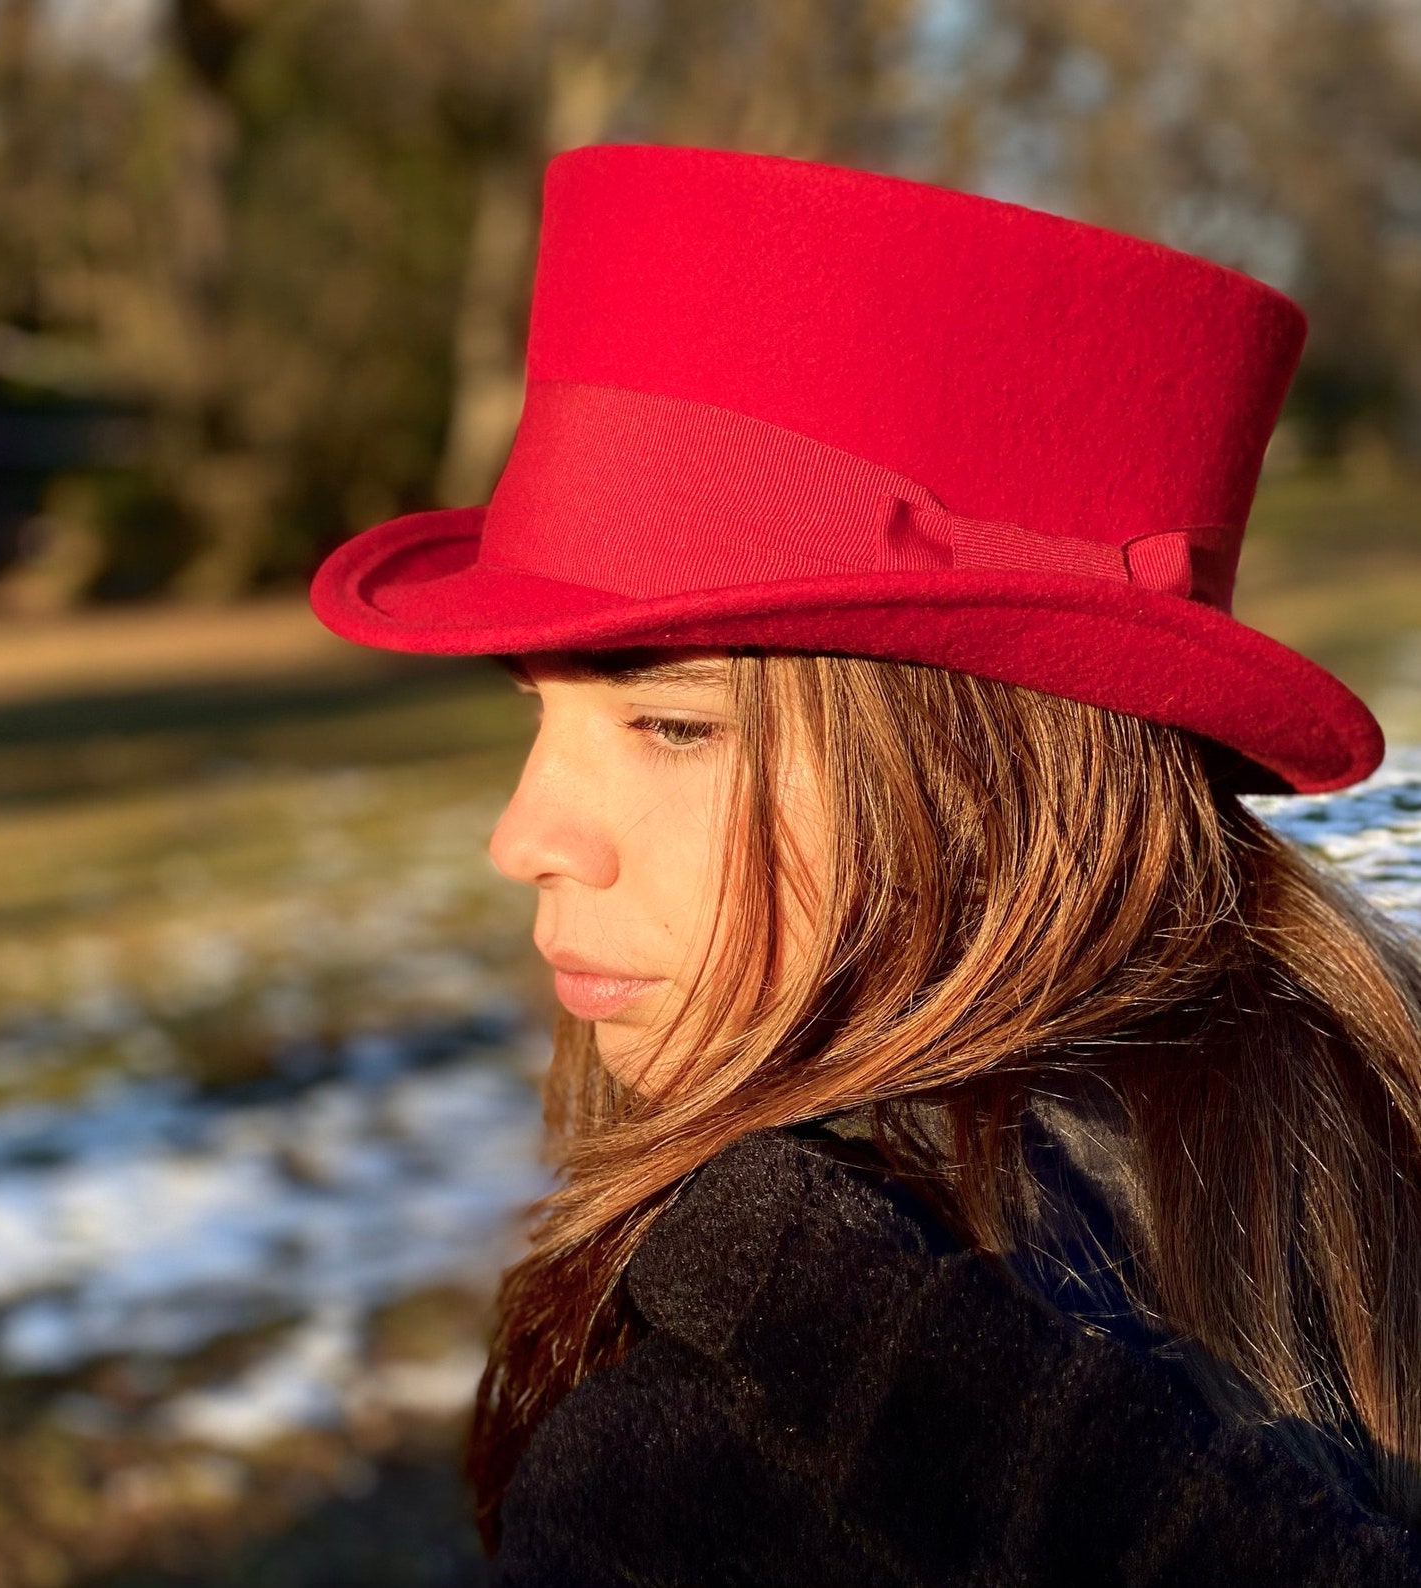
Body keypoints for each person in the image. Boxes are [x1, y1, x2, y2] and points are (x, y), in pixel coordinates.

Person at [311, 144, 1421, 1584]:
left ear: (979, 781)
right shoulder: (1338, 1098)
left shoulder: (724, 1474)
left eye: (672, 722)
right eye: (543, 710)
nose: (525, 838)